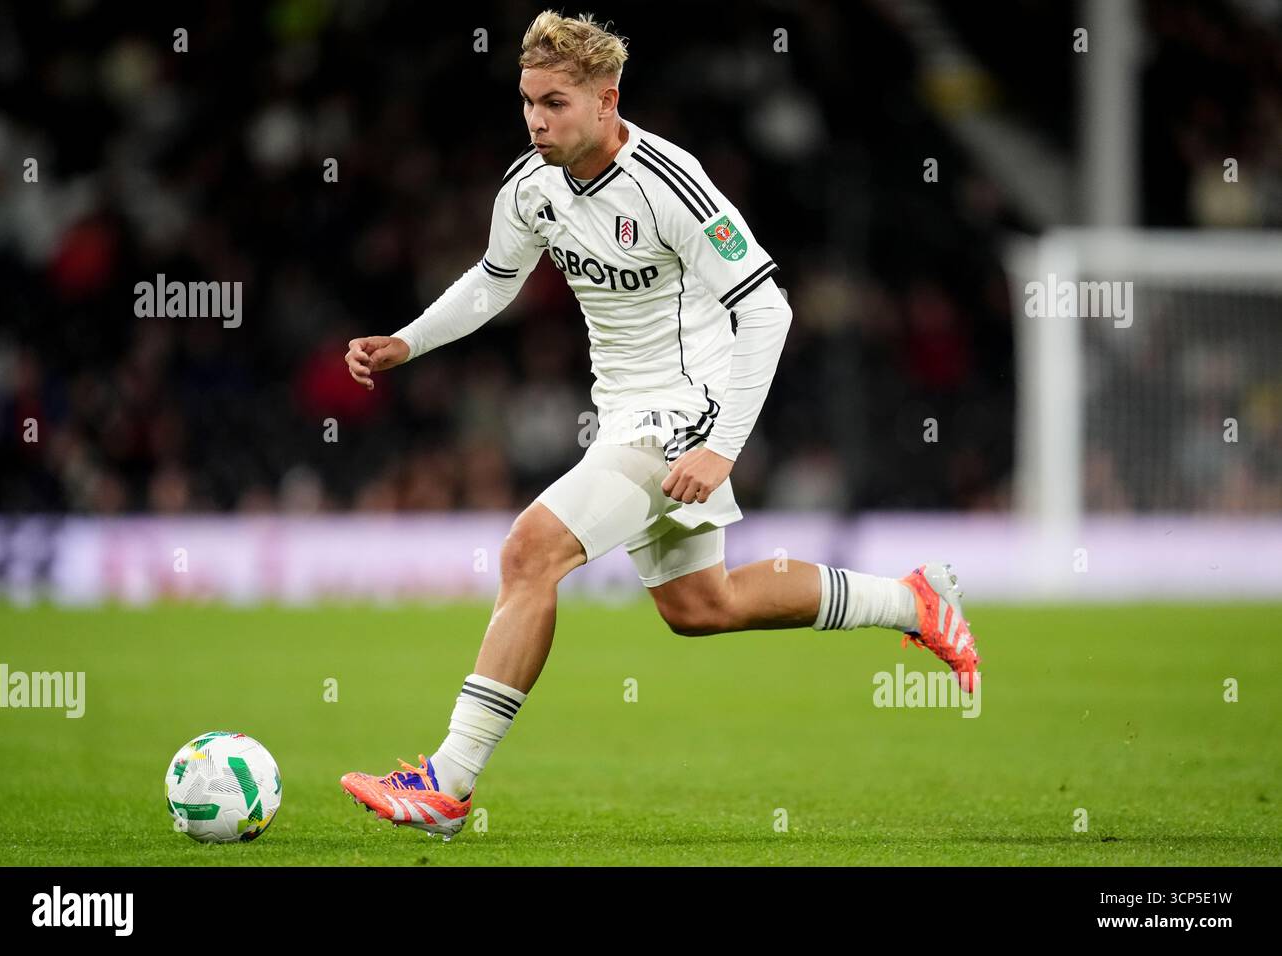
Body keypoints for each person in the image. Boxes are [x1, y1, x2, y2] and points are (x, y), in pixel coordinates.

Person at [339, 10, 981, 840]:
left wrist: (722, 447)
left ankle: (448, 783)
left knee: (530, 552)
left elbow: (770, 311)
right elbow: (494, 281)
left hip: (686, 414)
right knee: (700, 606)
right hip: (625, 416)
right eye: (528, 101)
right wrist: (408, 341)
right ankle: (913, 599)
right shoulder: (529, 185)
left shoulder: (671, 184)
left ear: (607, 101)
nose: (536, 119)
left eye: (555, 103)